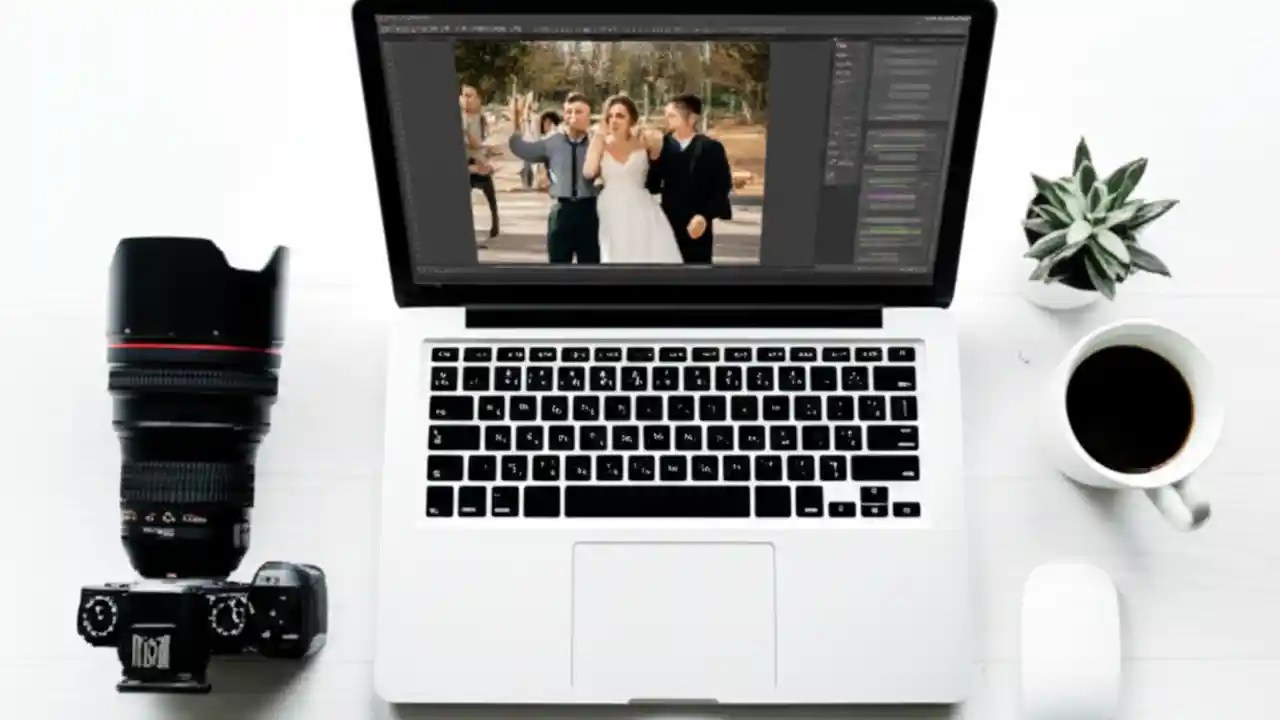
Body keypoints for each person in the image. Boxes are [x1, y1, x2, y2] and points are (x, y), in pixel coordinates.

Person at [582, 95, 683, 264]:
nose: (614, 120)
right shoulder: (601, 142)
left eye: (620, 116)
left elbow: (661, 166)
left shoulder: (644, 141)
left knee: (649, 253)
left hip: (641, 206)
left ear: (632, 120)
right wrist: (596, 143)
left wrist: (654, 142)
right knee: (617, 252)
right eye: (610, 116)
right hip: (612, 205)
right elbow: (588, 172)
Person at [508, 92, 600, 264]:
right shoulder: (553, 141)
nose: (572, 117)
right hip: (561, 211)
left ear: (589, 115)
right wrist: (516, 121)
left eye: (579, 112)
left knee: (590, 268)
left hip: (590, 211)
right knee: (558, 266)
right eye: (568, 112)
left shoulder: (597, 142)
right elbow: (523, 150)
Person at [645, 93, 734, 264]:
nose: (667, 120)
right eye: (666, 115)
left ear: (692, 118)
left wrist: (704, 216)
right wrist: (654, 158)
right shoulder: (662, 145)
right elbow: (653, 186)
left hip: (698, 224)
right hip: (668, 221)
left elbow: (722, 185)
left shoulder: (711, 148)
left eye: (672, 115)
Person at [460, 84, 499, 246]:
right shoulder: (460, 118)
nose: (466, 99)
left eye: (470, 96)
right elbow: (474, 144)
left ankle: (493, 228)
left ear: (479, 99)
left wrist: (486, 158)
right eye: (464, 95)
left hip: (478, 162)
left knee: (490, 198)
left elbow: (481, 143)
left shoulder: (482, 119)